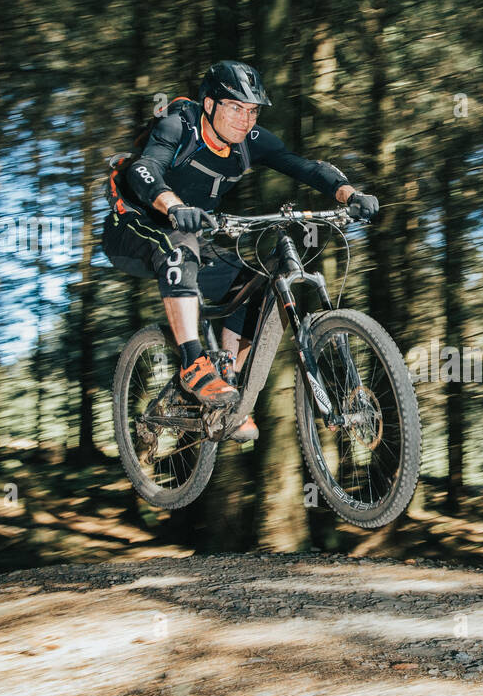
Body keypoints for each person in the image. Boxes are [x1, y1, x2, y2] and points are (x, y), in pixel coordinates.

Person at [103, 60, 379, 441]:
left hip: (191, 232)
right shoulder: (178, 123)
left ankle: (226, 384)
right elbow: (144, 169)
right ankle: (193, 364)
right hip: (133, 224)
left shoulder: (250, 142)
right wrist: (173, 205)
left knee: (253, 285)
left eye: (252, 111)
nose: (245, 120)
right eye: (235, 107)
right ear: (210, 105)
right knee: (179, 248)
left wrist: (350, 194)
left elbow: (304, 167)